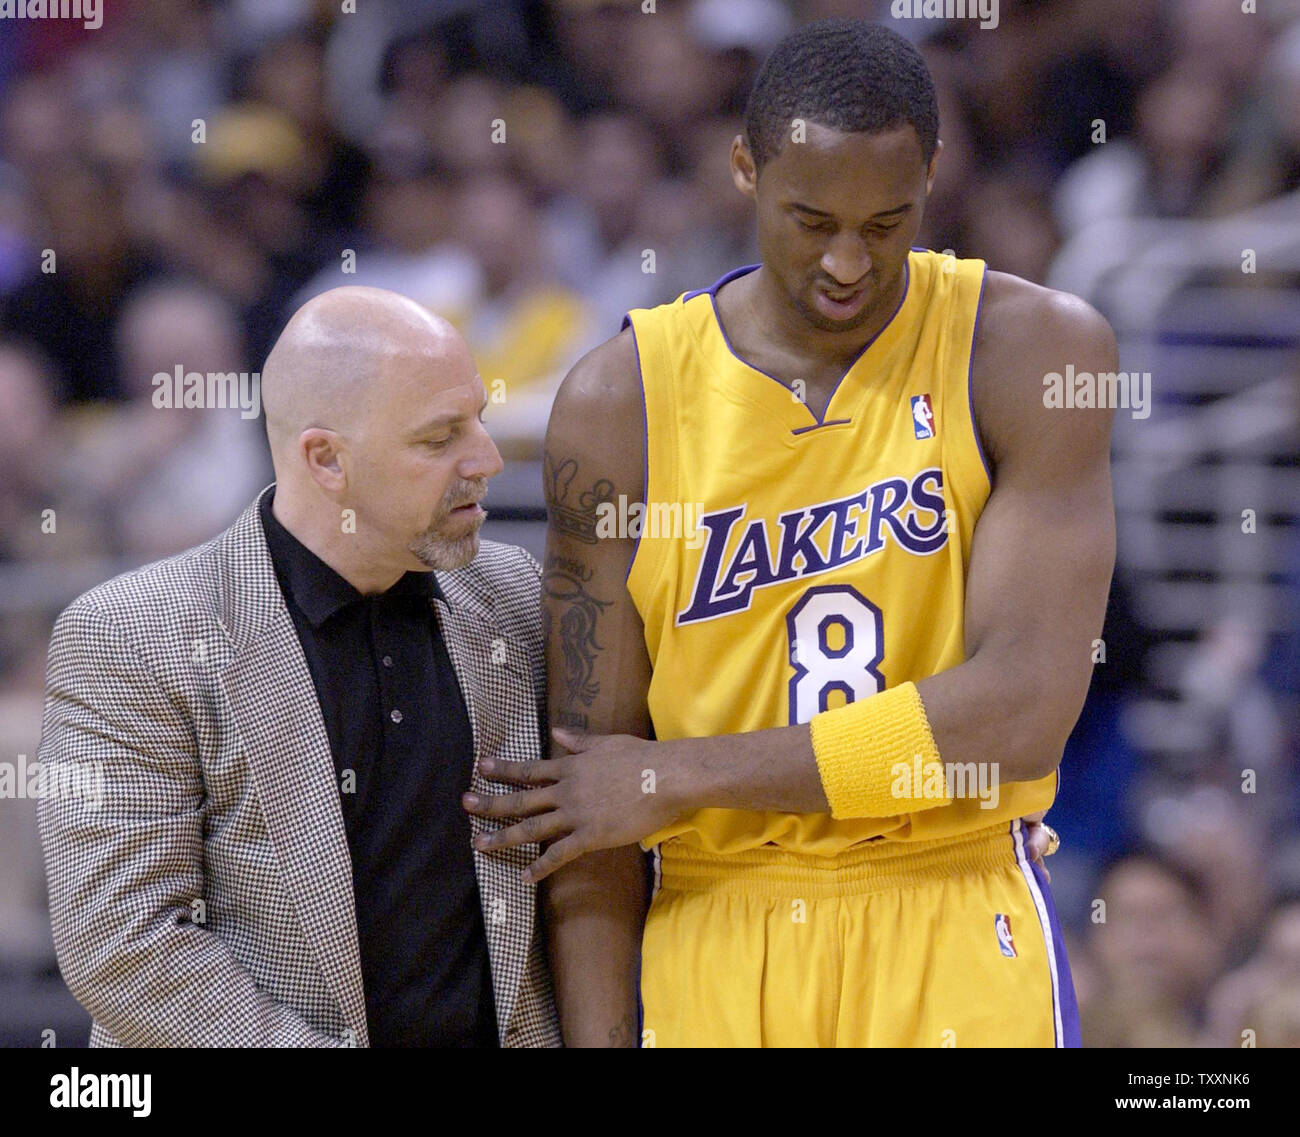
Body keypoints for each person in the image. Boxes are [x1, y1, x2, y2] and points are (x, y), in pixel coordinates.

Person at [465, 20, 1114, 1048]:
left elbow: (1019, 713)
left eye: (886, 223)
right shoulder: (620, 404)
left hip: (950, 904)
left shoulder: (1028, 352)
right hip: (717, 921)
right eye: (811, 221)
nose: (848, 262)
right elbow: (585, 796)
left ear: (934, 176)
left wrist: (677, 776)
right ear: (742, 169)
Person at [36, 285, 559, 1047]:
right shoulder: (131, 636)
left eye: (478, 417)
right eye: (440, 436)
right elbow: (126, 945)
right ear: (327, 459)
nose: (485, 458)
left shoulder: (515, 595)